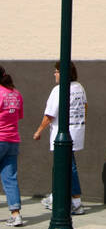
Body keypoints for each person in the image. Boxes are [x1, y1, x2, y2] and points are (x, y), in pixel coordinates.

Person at [33, 62, 86, 214]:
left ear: (64, 73)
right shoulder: (79, 88)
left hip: (62, 135)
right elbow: (85, 107)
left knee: (66, 167)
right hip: (77, 131)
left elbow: (50, 115)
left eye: (57, 71)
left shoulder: (58, 90)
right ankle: (59, 196)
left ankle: (74, 201)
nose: (54, 74)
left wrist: (39, 131)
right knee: (68, 166)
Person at [0, 66, 24, 227]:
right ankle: (16, 215)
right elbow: (19, 115)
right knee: (10, 178)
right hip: (12, 140)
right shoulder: (16, 94)